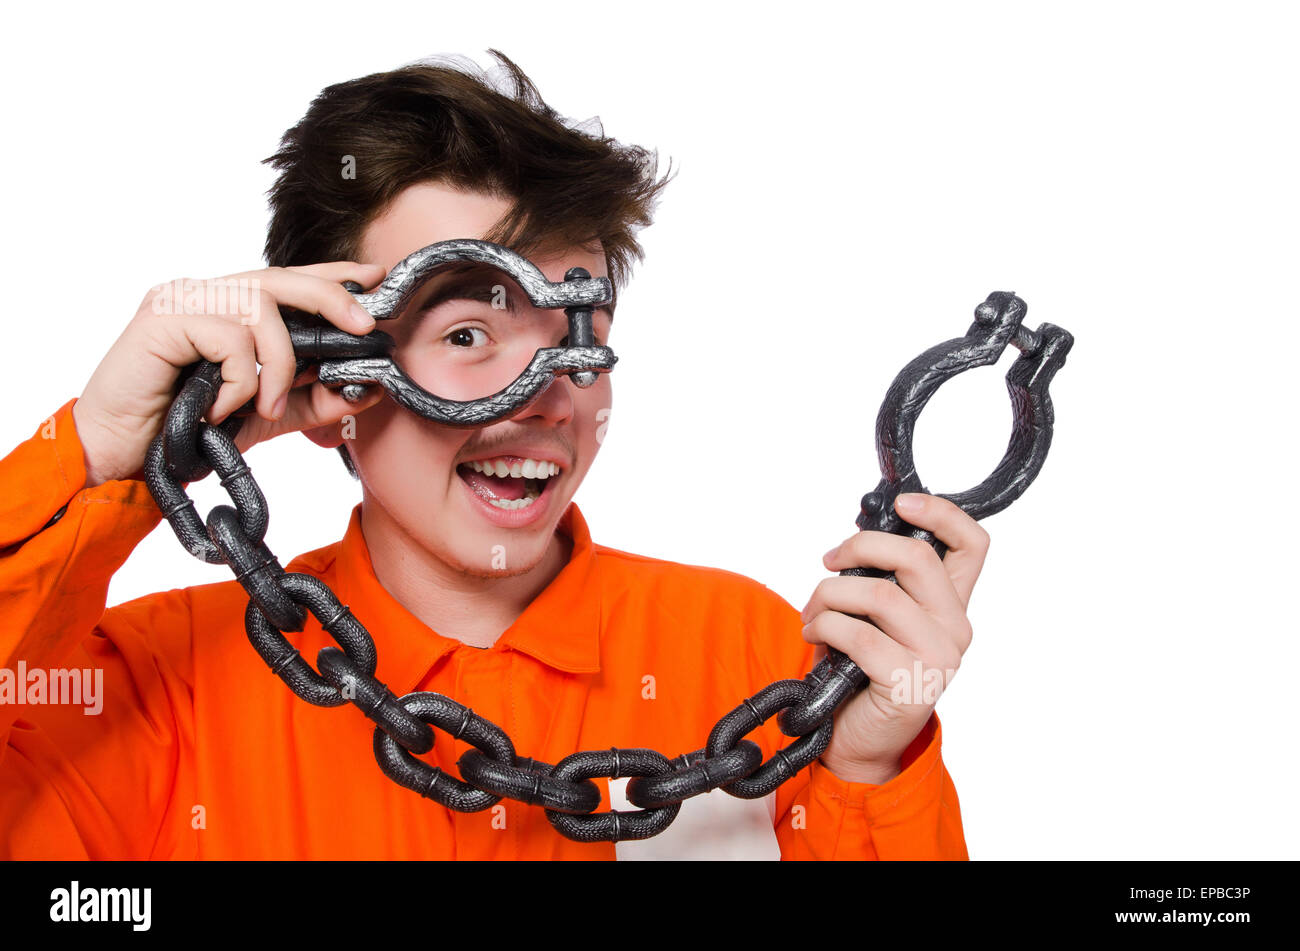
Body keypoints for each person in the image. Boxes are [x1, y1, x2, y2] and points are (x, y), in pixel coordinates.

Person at [0, 51, 987, 860]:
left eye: (575, 341)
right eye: (467, 334)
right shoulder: (144, 691)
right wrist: (93, 455)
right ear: (330, 373)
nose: (546, 398)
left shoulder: (756, 657)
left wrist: (863, 775)